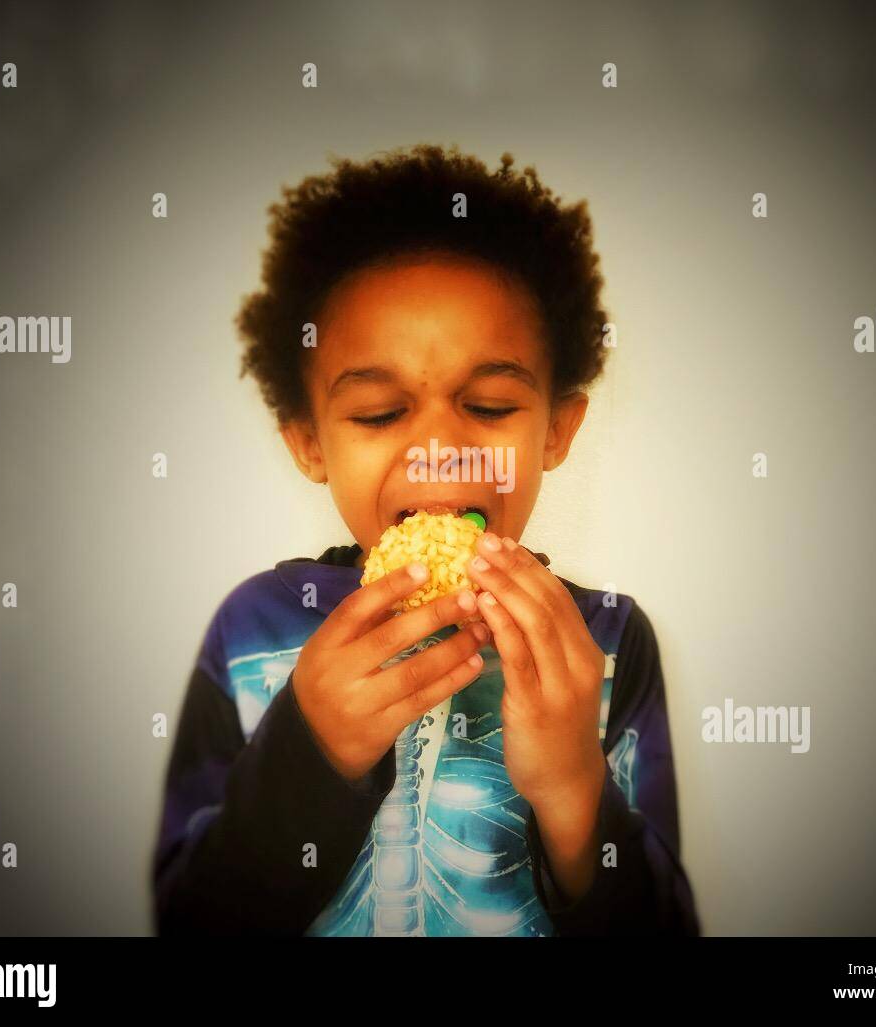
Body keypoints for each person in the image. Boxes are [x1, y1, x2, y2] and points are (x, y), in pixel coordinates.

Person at [151, 143, 700, 937]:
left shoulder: (605, 642)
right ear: (308, 440)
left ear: (559, 428)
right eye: (379, 413)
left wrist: (577, 790)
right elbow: (187, 922)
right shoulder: (253, 629)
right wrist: (308, 755)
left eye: (488, 405)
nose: (441, 449)